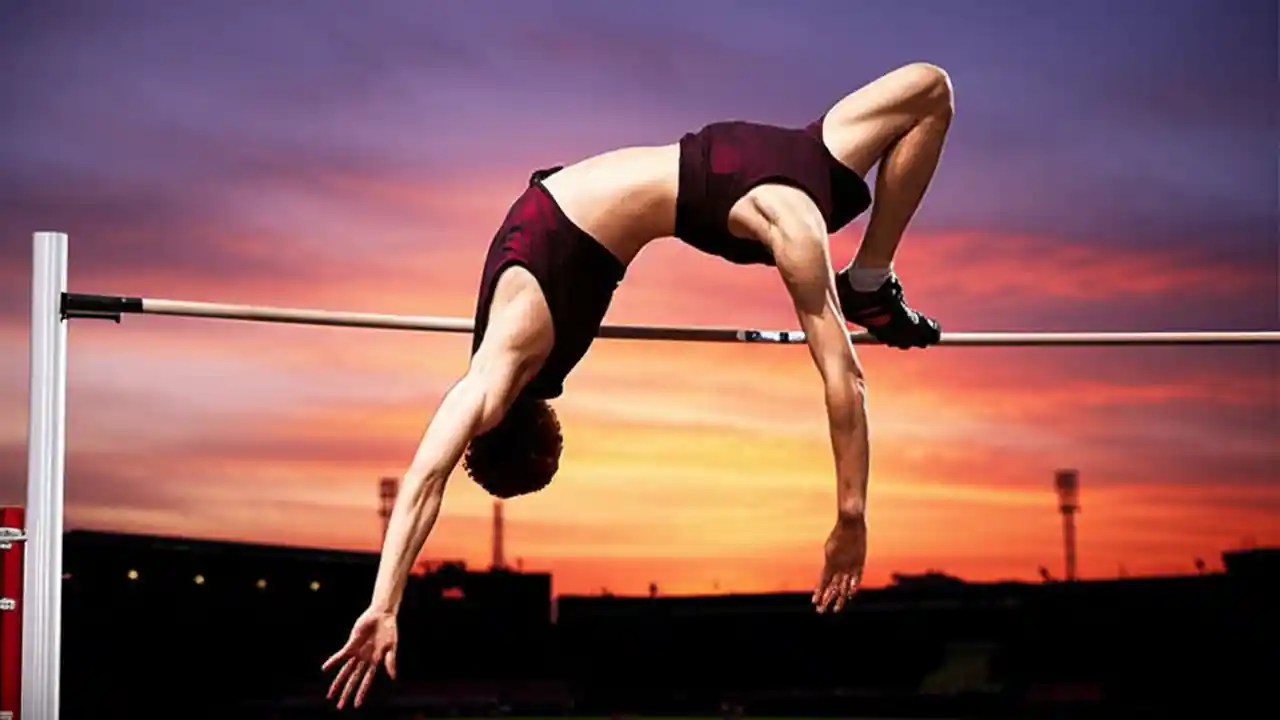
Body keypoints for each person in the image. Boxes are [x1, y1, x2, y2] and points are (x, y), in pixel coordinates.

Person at [322, 62, 952, 709]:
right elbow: (844, 379)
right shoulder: (791, 217)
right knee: (932, 90)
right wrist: (384, 602)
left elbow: (429, 474)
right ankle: (869, 280)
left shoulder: (503, 366)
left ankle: (868, 282)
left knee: (929, 93)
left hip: (708, 180)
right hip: (742, 167)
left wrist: (852, 518)